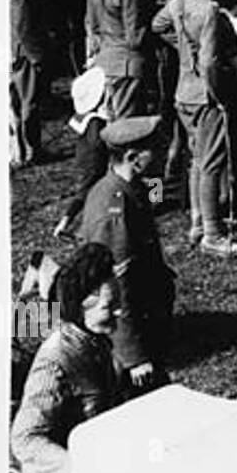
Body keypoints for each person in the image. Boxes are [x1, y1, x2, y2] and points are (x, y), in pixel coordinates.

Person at [151, 0, 237, 257]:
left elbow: (158, 25)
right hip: (205, 95)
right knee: (211, 162)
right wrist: (218, 93)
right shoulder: (210, 11)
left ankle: (196, 222)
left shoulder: (178, 2)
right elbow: (208, 62)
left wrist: (183, 49)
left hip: (182, 92)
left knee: (196, 158)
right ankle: (213, 233)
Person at [10, 243, 121, 473]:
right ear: (81, 307)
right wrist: (84, 471)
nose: (119, 311)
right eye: (109, 306)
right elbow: (25, 439)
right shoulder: (55, 360)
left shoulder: (96, 339)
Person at [79, 115, 176, 398]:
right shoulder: (114, 209)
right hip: (127, 344)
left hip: (147, 319)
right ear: (134, 158)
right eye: (157, 150)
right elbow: (114, 288)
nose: (166, 155)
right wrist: (133, 356)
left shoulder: (130, 189)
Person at [85, 0, 154, 120]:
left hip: (104, 59)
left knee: (109, 121)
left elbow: (93, 23)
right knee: (126, 127)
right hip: (126, 63)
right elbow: (135, 38)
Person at [53, 67, 111, 240]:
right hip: (94, 162)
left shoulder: (82, 115)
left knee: (86, 191)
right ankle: (64, 223)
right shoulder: (96, 121)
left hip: (84, 158)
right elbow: (96, 143)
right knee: (84, 193)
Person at [11, 0, 49, 166]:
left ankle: (22, 150)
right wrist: (35, 54)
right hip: (24, 49)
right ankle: (31, 150)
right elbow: (21, 20)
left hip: (14, 47)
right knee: (29, 101)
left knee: (18, 102)